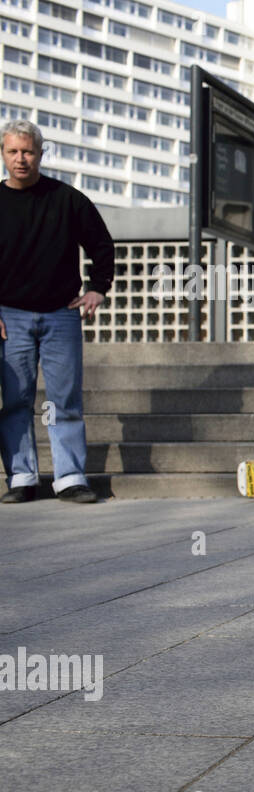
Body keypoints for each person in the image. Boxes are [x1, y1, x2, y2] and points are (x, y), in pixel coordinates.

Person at [0, 119, 114, 504]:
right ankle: (21, 477)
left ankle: (70, 478)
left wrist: (98, 288)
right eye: (13, 151)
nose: (21, 159)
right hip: (9, 316)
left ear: (40, 154)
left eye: (28, 151)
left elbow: (101, 244)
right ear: (3, 154)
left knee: (65, 399)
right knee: (15, 399)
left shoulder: (67, 200)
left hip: (61, 314)